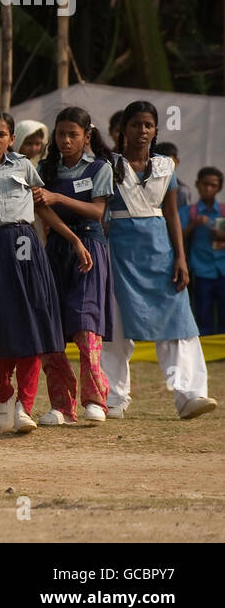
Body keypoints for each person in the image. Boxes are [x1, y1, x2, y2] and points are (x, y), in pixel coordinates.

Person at [0, 110, 92, 434]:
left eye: (1, 134)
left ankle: (25, 405)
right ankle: (5, 395)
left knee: (33, 322)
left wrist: (76, 240)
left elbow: (43, 209)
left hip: (27, 247)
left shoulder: (24, 167)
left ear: (11, 139)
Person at [100, 102, 216, 420]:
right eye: (136, 124)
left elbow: (172, 215)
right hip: (118, 251)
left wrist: (180, 257)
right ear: (122, 129)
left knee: (178, 321)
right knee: (115, 325)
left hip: (159, 251)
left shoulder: (166, 166)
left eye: (148, 125)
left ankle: (189, 394)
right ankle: (113, 396)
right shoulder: (107, 165)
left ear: (155, 130)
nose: (142, 131)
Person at [34, 107, 116, 424]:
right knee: (51, 328)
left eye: (73, 134)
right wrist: (68, 238)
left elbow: (97, 212)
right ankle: (61, 404)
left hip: (90, 250)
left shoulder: (99, 169)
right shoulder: (45, 169)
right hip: (57, 248)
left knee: (85, 325)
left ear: (87, 136)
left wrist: (58, 199)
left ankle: (95, 399)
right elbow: (43, 211)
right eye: (61, 134)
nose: (66, 140)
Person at [181, 166, 225, 336]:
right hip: (201, 271)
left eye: (213, 185)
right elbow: (176, 237)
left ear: (219, 187)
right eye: (205, 184)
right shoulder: (189, 212)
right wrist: (193, 224)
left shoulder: (222, 211)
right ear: (197, 184)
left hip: (222, 269)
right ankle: (205, 345)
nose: (208, 188)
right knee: (203, 311)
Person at [152, 142, 190, 210]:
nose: (164, 167)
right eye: (159, 163)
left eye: (168, 162)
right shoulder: (148, 185)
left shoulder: (182, 191)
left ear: (177, 161)